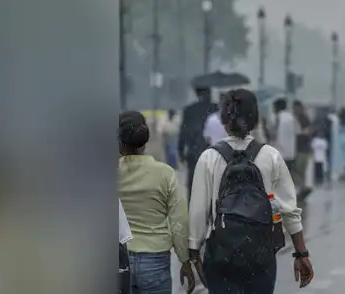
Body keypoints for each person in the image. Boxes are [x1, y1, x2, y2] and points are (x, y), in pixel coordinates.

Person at [188, 89, 313, 292]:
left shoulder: (208, 158)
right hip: (260, 256)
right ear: (255, 118)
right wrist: (301, 254)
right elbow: (290, 211)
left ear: (224, 118)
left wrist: (193, 255)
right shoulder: (271, 156)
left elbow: (198, 213)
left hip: (221, 256)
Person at [117, 111, 194, 294]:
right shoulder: (165, 174)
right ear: (145, 139)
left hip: (119, 260)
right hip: (155, 261)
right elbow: (179, 221)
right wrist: (185, 260)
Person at [178, 85, 216, 197]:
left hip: (194, 153)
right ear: (209, 92)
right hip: (213, 152)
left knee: (193, 184)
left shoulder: (189, 110)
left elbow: (183, 133)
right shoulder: (216, 108)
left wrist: (181, 151)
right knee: (213, 185)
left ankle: (193, 205)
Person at [292, 101, 315, 202]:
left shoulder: (304, 119)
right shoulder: (295, 119)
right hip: (297, 149)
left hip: (303, 149)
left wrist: (298, 132)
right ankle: (302, 189)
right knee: (297, 170)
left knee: (298, 170)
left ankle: (303, 188)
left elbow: (308, 131)